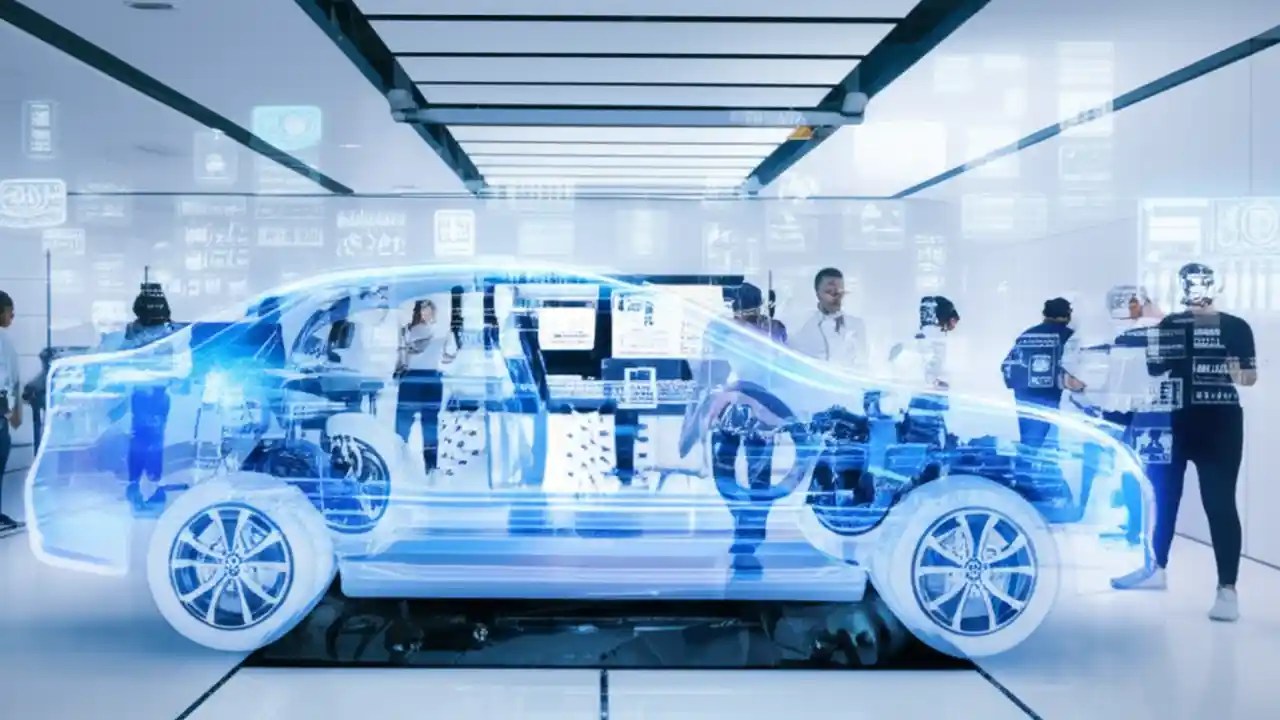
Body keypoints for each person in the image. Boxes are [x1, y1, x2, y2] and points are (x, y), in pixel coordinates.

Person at [1111, 263, 1257, 623]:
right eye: (1189, 283)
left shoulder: (1235, 326)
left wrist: (1220, 362)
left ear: (1214, 286)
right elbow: (1156, 369)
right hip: (1172, 418)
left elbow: (1249, 377)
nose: (1195, 288)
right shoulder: (1171, 324)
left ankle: (1227, 589)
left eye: (1202, 282)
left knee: (1219, 502)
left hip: (1219, 422)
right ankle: (1156, 567)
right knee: (1162, 496)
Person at [703, 283, 786, 568]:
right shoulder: (721, 328)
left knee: (759, 474)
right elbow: (711, 366)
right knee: (722, 472)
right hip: (729, 404)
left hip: (762, 406)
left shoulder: (773, 328)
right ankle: (743, 517)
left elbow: (779, 360)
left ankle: (750, 531)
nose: (742, 310)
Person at [120, 285, 179, 513]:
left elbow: (125, 356)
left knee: (142, 438)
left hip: (146, 392)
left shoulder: (134, 330)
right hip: (155, 392)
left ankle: (138, 484)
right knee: (153, 439)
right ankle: (148, 485)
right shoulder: (168, 330)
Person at [1001, 297, 1086, 448]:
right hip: (1052, 396)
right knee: (1051, 445)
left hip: (1025, 396)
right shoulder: (1069, 337)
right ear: (1067, 315)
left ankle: (1026, 461)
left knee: (1029, 444)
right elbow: (1075, 368)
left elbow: (1007, 365)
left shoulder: (1027, 335)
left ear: (1044, 314)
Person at [396, 299, 448, 474]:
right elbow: (449, 355)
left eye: (428, 310)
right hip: (424, 378)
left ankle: (423, 466)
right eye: (423, 310)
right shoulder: (435, 332)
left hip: (419, 379)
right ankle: (427, 467)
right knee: (420, 425)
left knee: (413, 425)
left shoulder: (409, 331)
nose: (426, 314)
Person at [790, 267, 870, 370]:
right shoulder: (802, 325)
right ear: (818, 294)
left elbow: (863, 362)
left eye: (839, 292)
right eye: (829, 292)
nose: (836, 297)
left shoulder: (856, 325)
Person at [0, 291, 23, 531]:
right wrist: (10, 412)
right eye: (9, 311)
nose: (12, 316)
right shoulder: (2, 341)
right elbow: (6, 378)